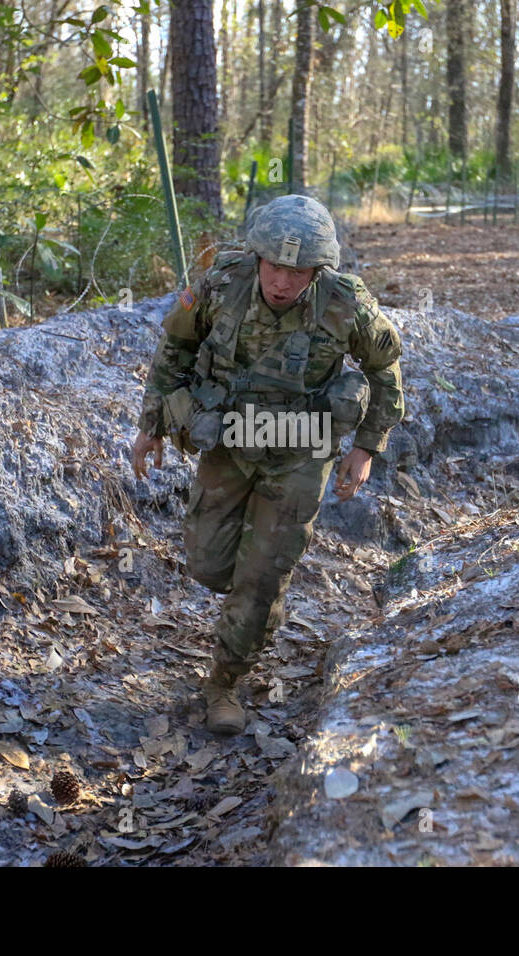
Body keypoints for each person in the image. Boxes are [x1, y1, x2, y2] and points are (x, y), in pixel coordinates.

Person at [130, 194, 405, 734]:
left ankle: (225, 681)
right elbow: (175, 351)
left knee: (260, 576)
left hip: (300, 452)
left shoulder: (345, 302)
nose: (283, 281)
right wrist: (152, 424)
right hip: (229, 443)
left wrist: (366, 447)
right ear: (256, 257)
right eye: (275, 266)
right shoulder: (220, 281)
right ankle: (258, 604)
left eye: (298, 271)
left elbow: (385, 369)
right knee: (208, 565)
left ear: (317, 270)